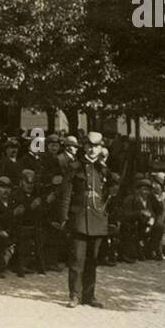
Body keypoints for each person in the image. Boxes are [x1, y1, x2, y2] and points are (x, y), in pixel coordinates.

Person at [54, 130, 110, 308]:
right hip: (79, 218)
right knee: (77, 260)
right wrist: (63, 217)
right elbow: (66, 194)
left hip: (97, 219)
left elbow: (108, 196)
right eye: (90, 145)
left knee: (92, 260)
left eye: (96, 146)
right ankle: (75, 295)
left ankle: (89, 295)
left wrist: (108, 217)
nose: (93, 149)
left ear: (101, 148)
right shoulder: (75, 167)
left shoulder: (103, 169)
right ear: (85, 146)